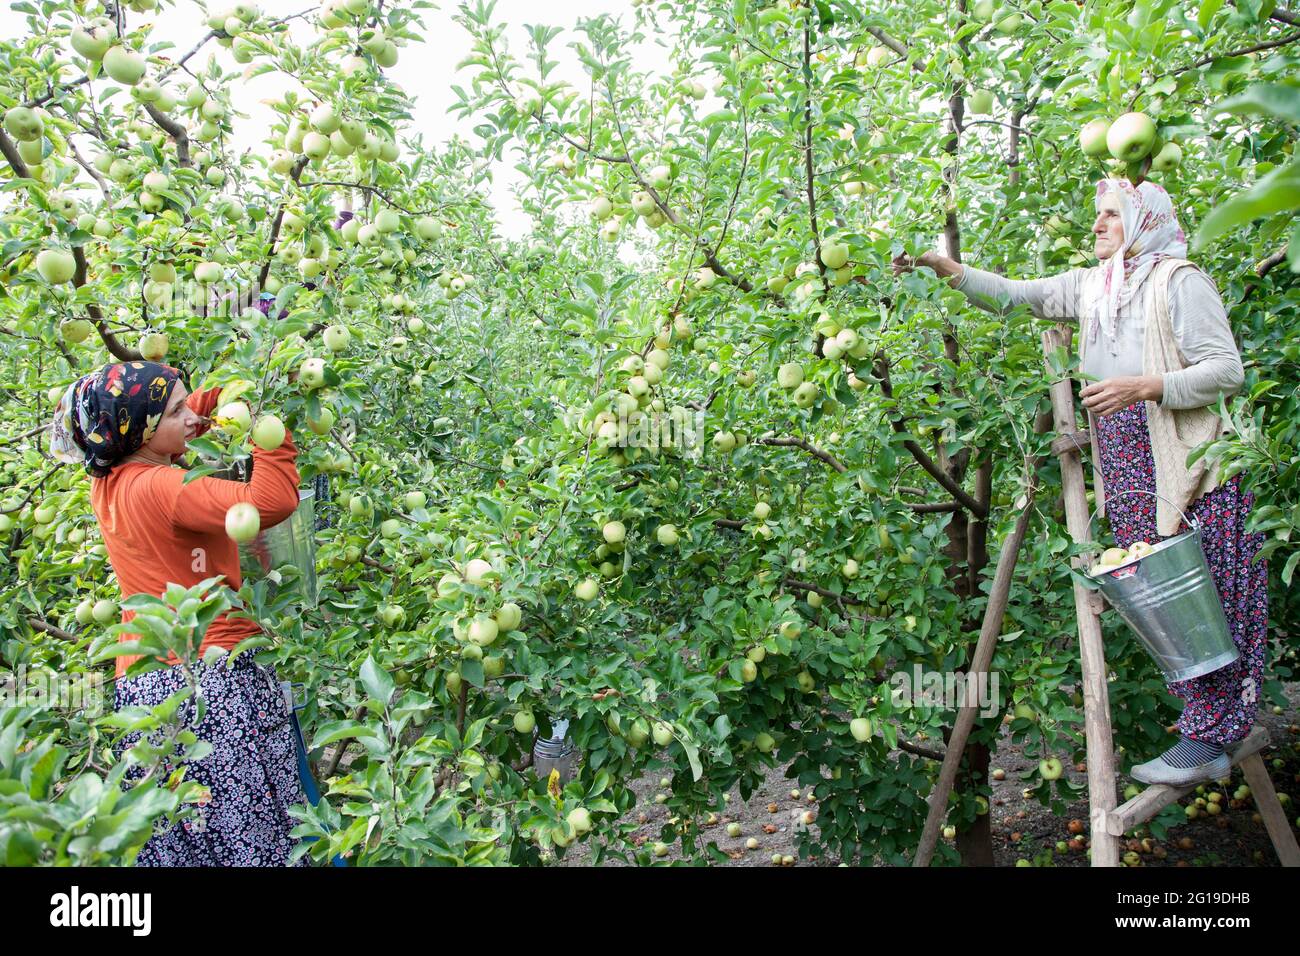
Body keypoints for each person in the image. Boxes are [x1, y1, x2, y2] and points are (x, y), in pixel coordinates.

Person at [894, 178, 1266, 786]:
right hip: (1123, 452)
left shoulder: (1179, 280)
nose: (1096, 226)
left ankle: (1213, 734)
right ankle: (1204, 726)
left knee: (1208, 587)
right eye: (1097, 216)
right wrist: (946, 268)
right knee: (1156, 584)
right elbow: (1015, 296)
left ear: (1143, 223)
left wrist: (1147, 386)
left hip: (1181, 451)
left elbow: (1227, 370)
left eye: (1111, 216)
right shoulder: (1095, 287)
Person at [50, 361, 310, 864]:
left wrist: (240, 390)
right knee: (253, 827)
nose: (191, 416)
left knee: (191, 826)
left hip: (149, 679)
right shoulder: (163, 487)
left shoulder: (111, 480)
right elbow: (270, 501)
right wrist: (269, 426)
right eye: (174, 411)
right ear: (140, 429)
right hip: (212, 676)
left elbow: (190, 408)